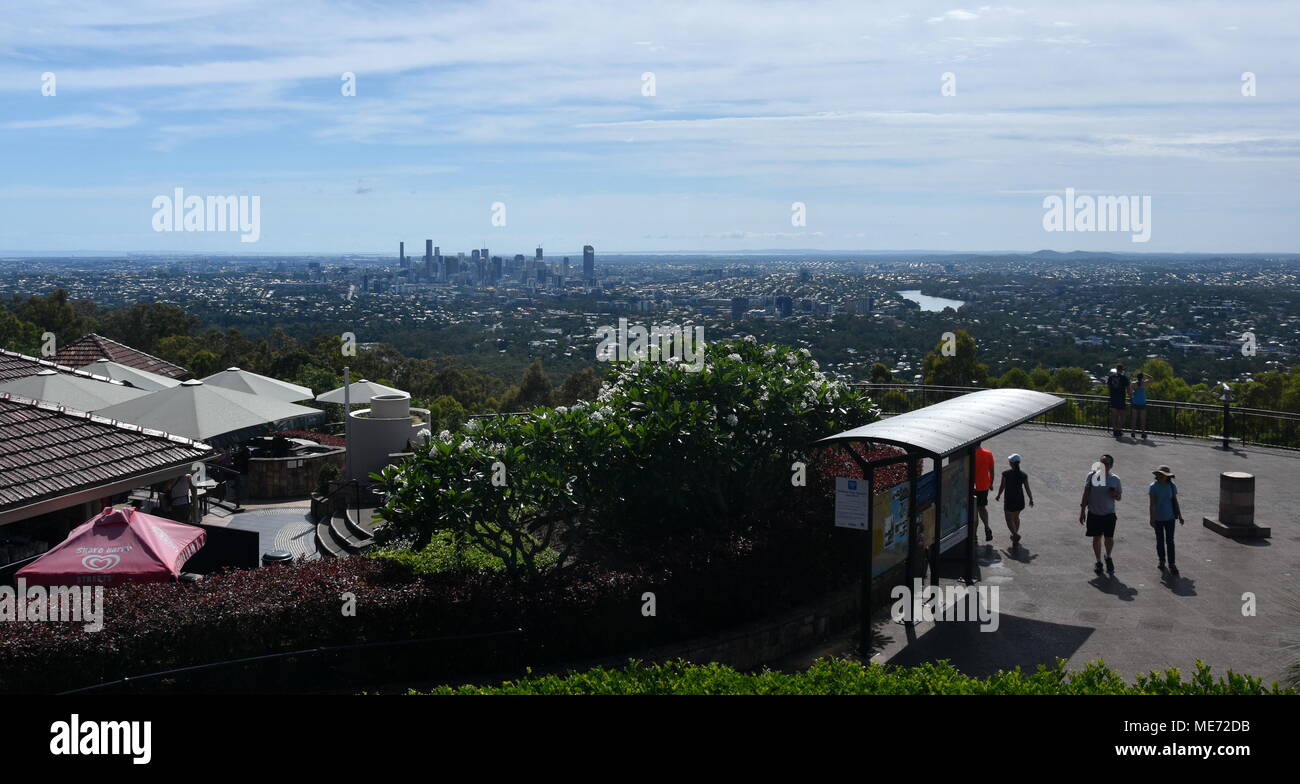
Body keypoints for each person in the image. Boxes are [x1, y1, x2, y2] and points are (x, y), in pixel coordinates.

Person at [1079, 453, 1122, 575]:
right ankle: (1098, 561)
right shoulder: (1091, 476)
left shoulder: (1115, 479)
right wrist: (1082, 511)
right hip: (1094, 512)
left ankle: (1108, 556)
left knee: (1109, 538)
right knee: (1096, 538)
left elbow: (1119, 497)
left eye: (1106, 464)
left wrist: (1115, 495)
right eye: (1101, 463)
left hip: (1109, 513)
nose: (1103, 465)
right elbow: (1086, 493)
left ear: (1111, 465)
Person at [1148, 465, 1184, 575]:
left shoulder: (1172, 486)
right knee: (1160, 540)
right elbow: (1152, 504)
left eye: (1164, 475)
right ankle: (1162, 560)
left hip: (1170, 517)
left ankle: (1172, 563)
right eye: (1160, 475)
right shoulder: (1153, 487)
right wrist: (1152, 518)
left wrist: (1180, 515)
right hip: (1158, 518)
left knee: (1170, 540)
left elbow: (1175, 501)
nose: (1162, 477)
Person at [994, 453, 1034, 549]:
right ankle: (1015, 536)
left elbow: (1002, 486)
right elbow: (1027, 488)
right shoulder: (1023, 475)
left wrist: (998, 495)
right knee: (1016, 518)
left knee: (1008, 519)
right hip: (1020, 500)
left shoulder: (1006, 474)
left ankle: (1015, 535)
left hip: (1010, 499)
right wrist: (1031, 498)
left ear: (1011, 463)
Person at [972, 445, 995, 542]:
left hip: (973, 486)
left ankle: (974, 536)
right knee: (982, 507)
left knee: (974, 511)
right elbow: (992, 471)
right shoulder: (988, 453)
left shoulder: (971, 454)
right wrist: (991, 484)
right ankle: (987, 527)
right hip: (984, 485)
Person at [1106, 364, 1130, 439]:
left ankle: (1114, 430)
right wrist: (1130, 396)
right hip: (1121, 398)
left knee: (1114, 415)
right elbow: (1128, 389)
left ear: (1116, 369)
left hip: (1113, 398)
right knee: (1122, 415)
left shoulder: (1111, 377)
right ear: (1122, 370)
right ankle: (1119, 429)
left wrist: (1111, 394)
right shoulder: (1124, 378)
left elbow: (1108, 387)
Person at [1129, 372, 1149, 440]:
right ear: (1142, 377)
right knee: (1142, 419)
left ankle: (1133, 432)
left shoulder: (1133, 383)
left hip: (1135, 402)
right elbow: (1152, 378)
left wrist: (1134, 392)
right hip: (1142, 402)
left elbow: (1131, 393)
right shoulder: (1144, 383)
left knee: (1134, 418)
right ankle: (1143, 433)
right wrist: (1145, 374)